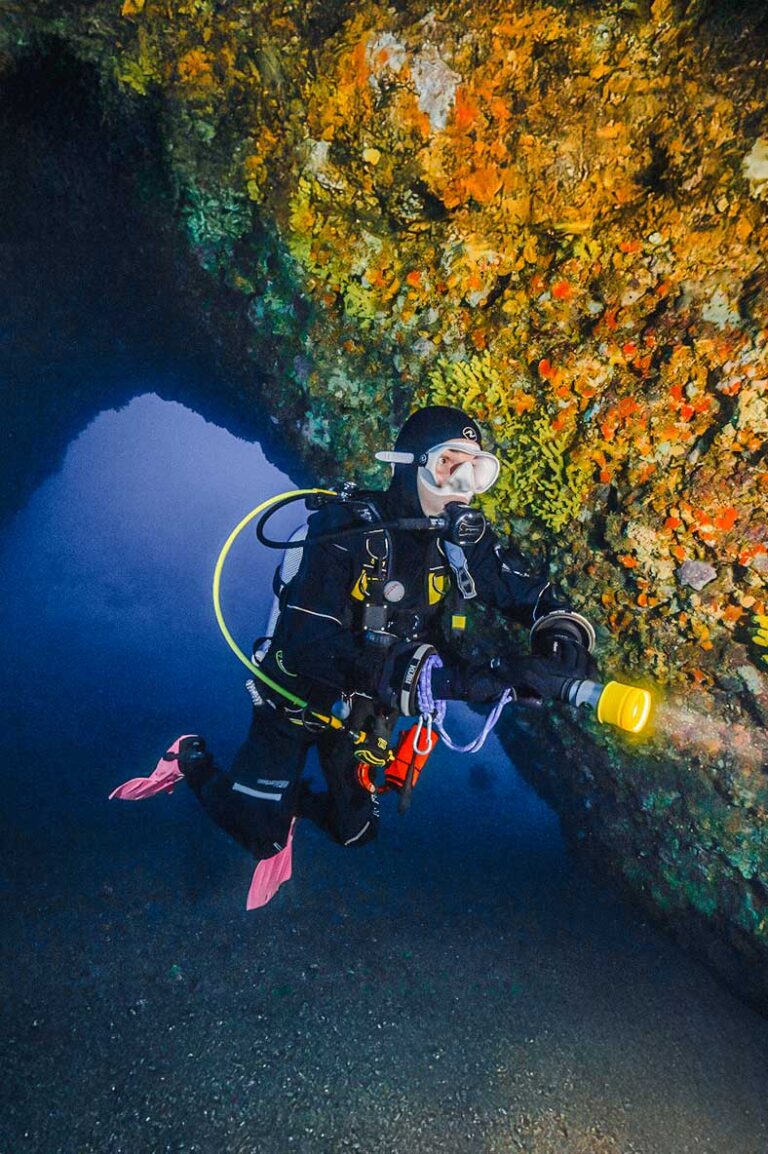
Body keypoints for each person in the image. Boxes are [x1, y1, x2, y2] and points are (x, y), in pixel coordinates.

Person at [177, 405, 597, 861]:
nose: (462, 485)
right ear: (408, 465)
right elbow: (308, 648)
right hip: (295, 700)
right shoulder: (344, 529)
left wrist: (563, 634)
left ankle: (290, 801)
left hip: (364, 711)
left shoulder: (461, 542)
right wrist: (452, 680)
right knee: (262, 839)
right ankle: (192, 764)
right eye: (448, 464)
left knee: (355, 832)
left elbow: (525, 592)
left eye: (475, 469)